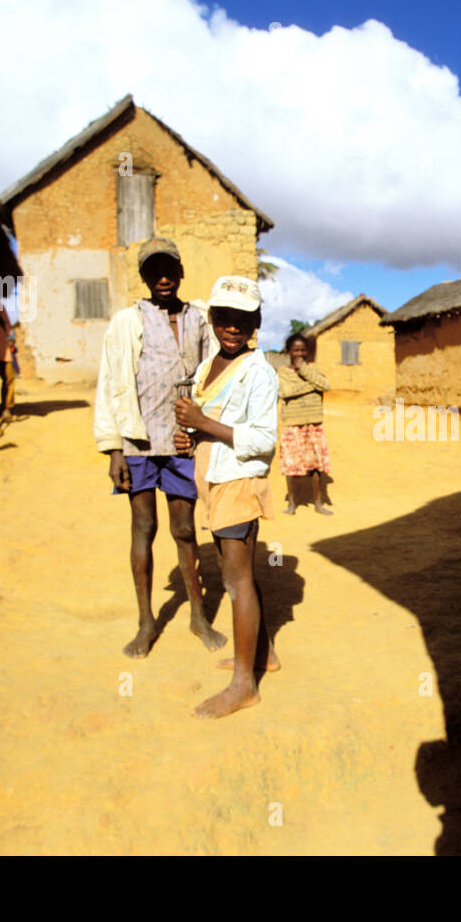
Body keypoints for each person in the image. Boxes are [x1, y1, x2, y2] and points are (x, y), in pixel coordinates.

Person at [94, 237, 224, 660]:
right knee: (143, 528)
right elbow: (112, 383)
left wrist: (205, 428)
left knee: (185, 530)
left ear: (181, 272)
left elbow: (212, 377)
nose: (163, 278)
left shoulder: (200, 320)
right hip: (138, 440)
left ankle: (198, 616)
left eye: (170, 270)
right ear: (145, 277)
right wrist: (114, 448)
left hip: (184, 440)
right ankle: (146, 621)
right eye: (154, 271)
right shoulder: (126, 322)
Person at [173, 275, 280, 719]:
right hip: (211, 478)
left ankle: (243, 685)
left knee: (236, 583)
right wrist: (191, 435)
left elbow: (263, 439)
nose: (232, 328)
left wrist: (204, 423)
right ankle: (263, 655)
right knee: (239, 574)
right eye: (224, 318)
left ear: (254, 323)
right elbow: (204, 424)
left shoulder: (260, 373)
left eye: (242, 320)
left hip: (238, 482)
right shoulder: (206, 367)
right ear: (213, 319)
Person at [275, 333, 333, 514]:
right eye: (295, 350)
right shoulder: (283, 372)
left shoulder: (313, 369)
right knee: (291, 465)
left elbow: (326, 386)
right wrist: (312, 385)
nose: (299, 353)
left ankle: (318, 503)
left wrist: (304, 371)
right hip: (293, 424)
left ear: (307, 351)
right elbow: (285, 391)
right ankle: (292, 504)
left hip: (313, 424)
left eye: (302, 350)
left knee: (315, 466)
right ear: (289, 351)